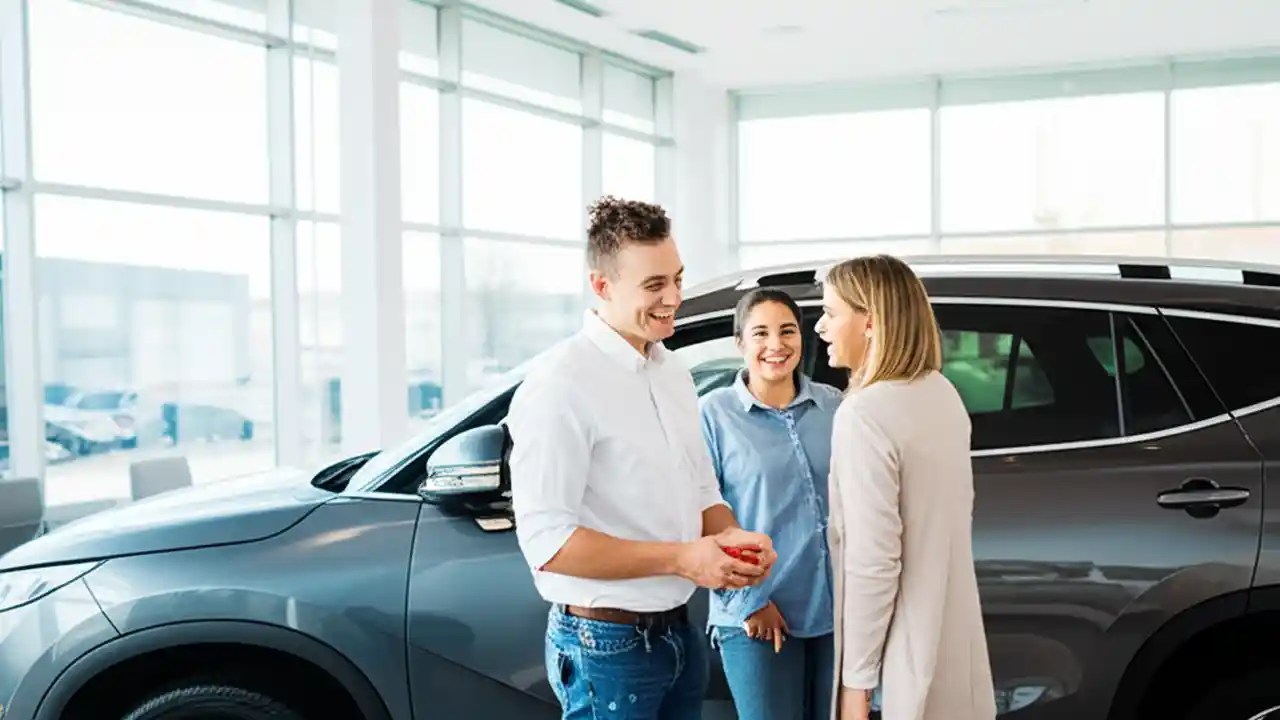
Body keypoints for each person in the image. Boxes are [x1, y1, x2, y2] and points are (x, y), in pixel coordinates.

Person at [507, 195, 779, 720]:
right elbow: (547, 542)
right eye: (655, 286)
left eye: (677, 279)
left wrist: (732, 542)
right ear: (601, 286)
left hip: (677, 630)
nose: (674, 297)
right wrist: (682, 558)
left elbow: (702, 492)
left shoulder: (673, 373)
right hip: (603, 644)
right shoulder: (560, 383)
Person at [814, 255, 996, 720]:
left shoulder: (864, 414)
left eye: (831, 313)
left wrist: (855, 682)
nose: (820, 326)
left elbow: (874, 561)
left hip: (900, 664)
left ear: (869, 322)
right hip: (955, 648)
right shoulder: (941, 393)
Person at [699, 288, 844, 720]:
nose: (776, 345)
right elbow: (700, 510)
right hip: (758, 617)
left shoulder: (835, 407)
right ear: (740, 342)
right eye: (760, 333)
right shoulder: (711, 415)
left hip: (836, 612)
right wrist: (751, 601)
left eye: (787, 331)